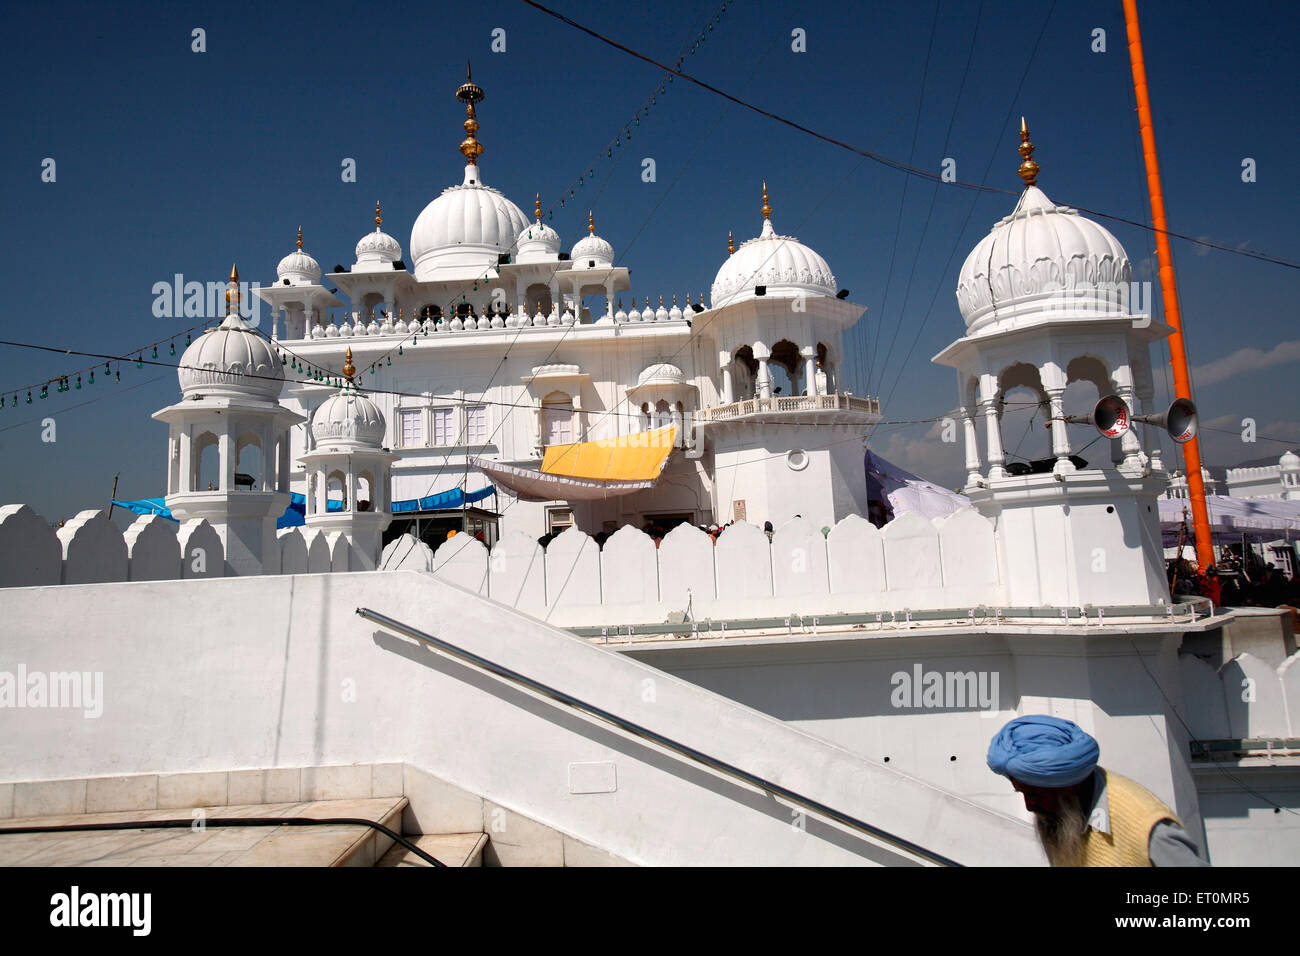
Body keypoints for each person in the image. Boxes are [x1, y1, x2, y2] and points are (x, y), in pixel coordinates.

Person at [987, 715, 1207, 867]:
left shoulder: (1146, 828)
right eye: (1023, 794)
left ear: (1070, 784)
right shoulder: (1064, 817)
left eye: (1035, 795)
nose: (1029, 806)